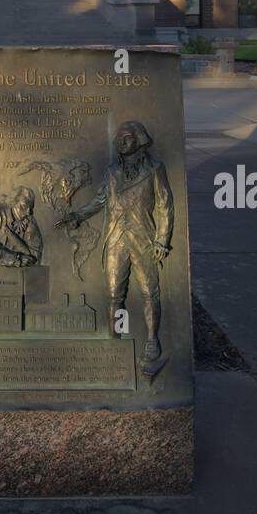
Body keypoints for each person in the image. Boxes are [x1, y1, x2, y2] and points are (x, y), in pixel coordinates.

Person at [55, 121, 173, 362]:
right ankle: (115, 340)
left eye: (126, 137)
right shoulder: (112, 173)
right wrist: (77, 215)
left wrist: (162, 240)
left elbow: (164, 204)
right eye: (118, 138)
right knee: (113, 294)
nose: (120, 142)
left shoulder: (154, 169)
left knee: (150, 292)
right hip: (116, 239)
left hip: (144, 239)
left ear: (139, 140)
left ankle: (152, 339)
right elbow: (100, 201)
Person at [0, 186, 43, 267]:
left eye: (30, 208)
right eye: (23, 206)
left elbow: (36, 252)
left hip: (22, 273)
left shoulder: (29, 219)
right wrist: (17, 259)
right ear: (13, 202)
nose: (28, 212)